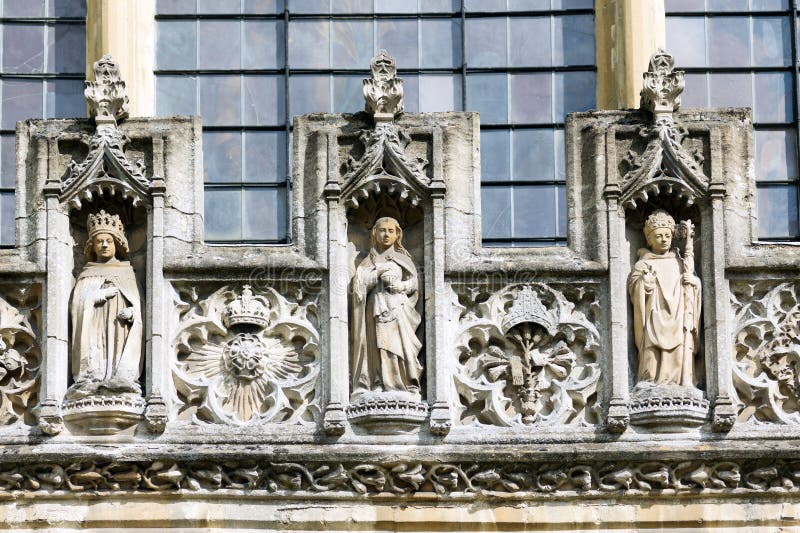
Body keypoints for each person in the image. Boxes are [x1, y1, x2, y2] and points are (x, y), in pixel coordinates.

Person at [69, 210, 142, 397]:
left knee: (118, 350)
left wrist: (133, 313)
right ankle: (93, 377)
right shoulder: (86, 273)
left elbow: (140, 305)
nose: (103, 245)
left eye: (108, 241)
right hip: (96, 324)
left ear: (116, 244)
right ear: (91, 246)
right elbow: (77, 307)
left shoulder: (128, 272)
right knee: (96, 353)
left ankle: (121, 379)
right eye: (98, 241)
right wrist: (95, 296)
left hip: (120, 325)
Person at [629, 209, 701, 387]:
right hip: (654, 315)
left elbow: (693, 285)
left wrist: (693, 282)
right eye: (659, 235)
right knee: (651, 346)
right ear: (649, 239)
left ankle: (679, 380)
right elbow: (634, 288)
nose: (664, 239)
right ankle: (649, 378)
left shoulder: (680, 262)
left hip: (677, 317)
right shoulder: (643, 264)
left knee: (678, 347)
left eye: (667, 235)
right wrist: (645, 285)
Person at [351, 217, 422, 396]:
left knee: (400, 345)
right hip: (375, 307)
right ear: (375, 233)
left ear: (397, 234)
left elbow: (414, 282)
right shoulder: (368, 261)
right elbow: (359, 284)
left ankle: (403, 382)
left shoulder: (403, 258)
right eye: (382, 230)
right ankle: (378, 381)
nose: (386, 235)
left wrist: (402, 286)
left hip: (398, 308)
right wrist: (380, 271)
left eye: (391, 231)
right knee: (378, 344)